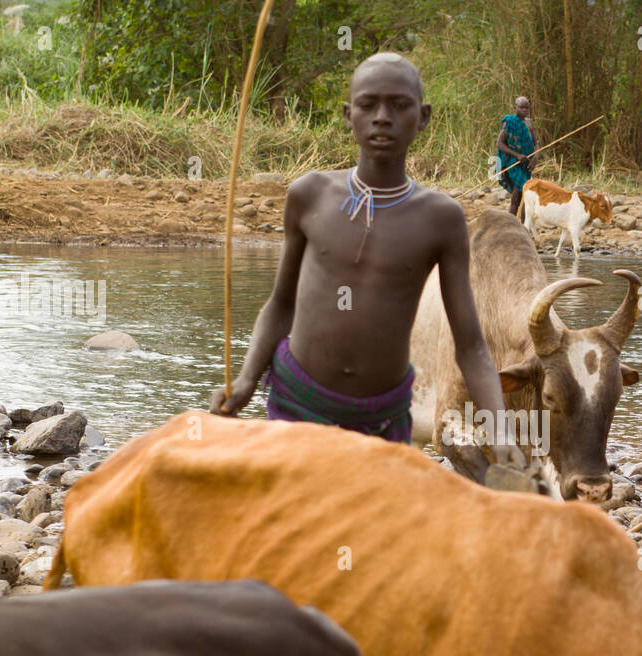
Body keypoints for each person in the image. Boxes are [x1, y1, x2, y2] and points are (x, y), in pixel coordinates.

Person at [211, 53, 518, 469]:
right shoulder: (309, 195)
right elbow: (281, 305)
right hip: (298, 401)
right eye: (368, 104)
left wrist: (498, 429)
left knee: (370, 530)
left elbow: (471, 345)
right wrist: (246, 379)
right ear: (347, 114)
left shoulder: (441, 218)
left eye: (399, 105)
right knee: (295, 524)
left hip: (381, 417)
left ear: (423, 117)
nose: (382, 117)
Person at [497, 96, 537, 216]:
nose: (524, 110)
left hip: (526, 164)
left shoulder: (529, 123)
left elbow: (536, 143)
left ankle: (521, 223)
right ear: (515, 107)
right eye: (521, 107)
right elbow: (499, 144)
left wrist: (535, 157)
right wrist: (517, 155)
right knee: (521, 191)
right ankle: (514, 221)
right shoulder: (509, 122)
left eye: (526, 108)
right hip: (513, 163)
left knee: (522, 194)